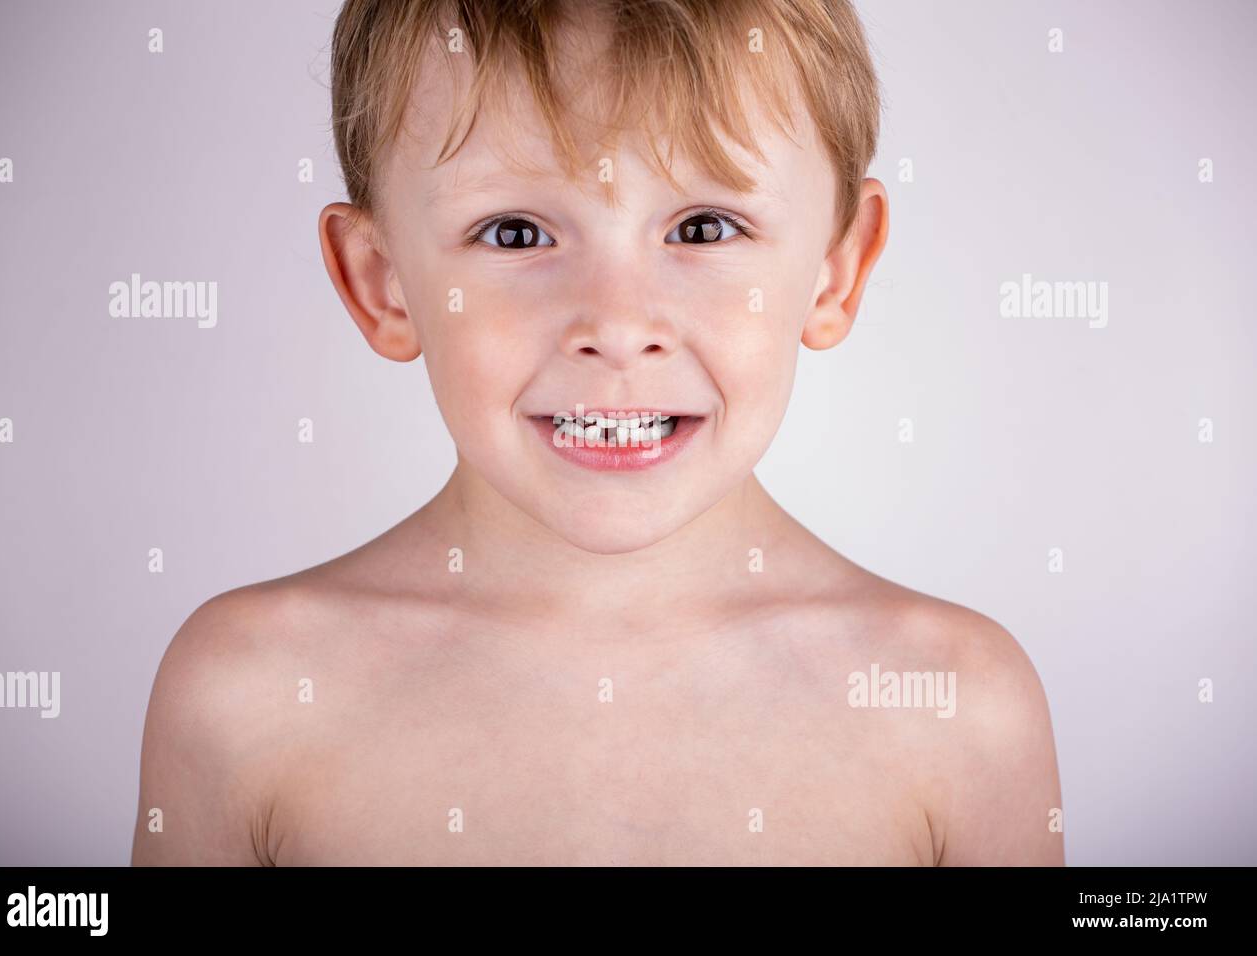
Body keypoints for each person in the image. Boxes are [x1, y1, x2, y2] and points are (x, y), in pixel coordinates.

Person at [132, 0, 1063, 865]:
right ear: (380, 283)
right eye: (514, 234)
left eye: (704, 227)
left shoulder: (958, 707)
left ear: (836, 269)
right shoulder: (246, 694)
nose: (617, 325)